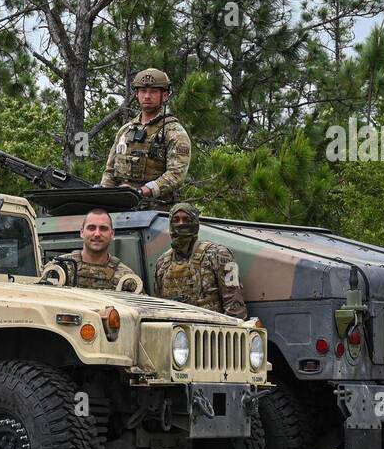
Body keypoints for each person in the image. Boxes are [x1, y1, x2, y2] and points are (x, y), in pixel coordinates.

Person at [100, 67, 190, 205]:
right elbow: (110, 171)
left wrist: (141, 191)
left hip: (156, 209)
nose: (147, 96)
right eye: (143, 91)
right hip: (121, 206)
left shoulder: (174, 132)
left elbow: (176, 174)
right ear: (136, 94)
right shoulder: (125, 130)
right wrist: (105, 198)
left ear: (165, 95)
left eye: (153, 91)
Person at [154, 203, 247, 318]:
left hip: (211, 326)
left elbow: (234, 304)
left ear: (195, 223)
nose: (181, 224)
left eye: (187, 219)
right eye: (176, 220)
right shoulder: (162, 263)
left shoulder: (219, 254)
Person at [42, 207, 143, 292]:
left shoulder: (126, 278)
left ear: (112, 234)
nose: (97, 234)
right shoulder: (58, 269)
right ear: (82, 232)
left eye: (103, 228)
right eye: (91, 228)